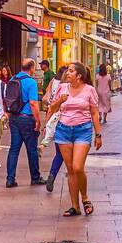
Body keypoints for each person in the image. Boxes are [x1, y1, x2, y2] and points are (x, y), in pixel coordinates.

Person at [46, 61, 101, 216]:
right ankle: (75, 206)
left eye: (71, 71)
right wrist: (60, 100)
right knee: (70, 170)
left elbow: (95, 113)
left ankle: (85, 197)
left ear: (79, 76)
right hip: (63, 130)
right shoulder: (62, 88)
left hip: (82, 130)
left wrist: (98, 134)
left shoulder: (89, 90)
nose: (67, 73)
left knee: (78, 167)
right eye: (68, 71)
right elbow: (52, 108)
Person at [5, 57, 45, 188]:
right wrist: (38, 121)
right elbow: (33, 103)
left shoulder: (12, 80)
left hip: (14, 118)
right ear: (32, 68)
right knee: (31, 149)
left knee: (14, 149)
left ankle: (10, 179)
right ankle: (35, 177)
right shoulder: (31, 82)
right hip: (27, 118)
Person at [43, 65, 69, 193]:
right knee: (73, 155)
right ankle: (72, 176)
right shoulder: (73, 89)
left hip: (57, 122)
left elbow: (52, 106)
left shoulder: (56, 85)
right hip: (69, 124)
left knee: (59, 154)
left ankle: (52, 174)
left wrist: (47, 123)